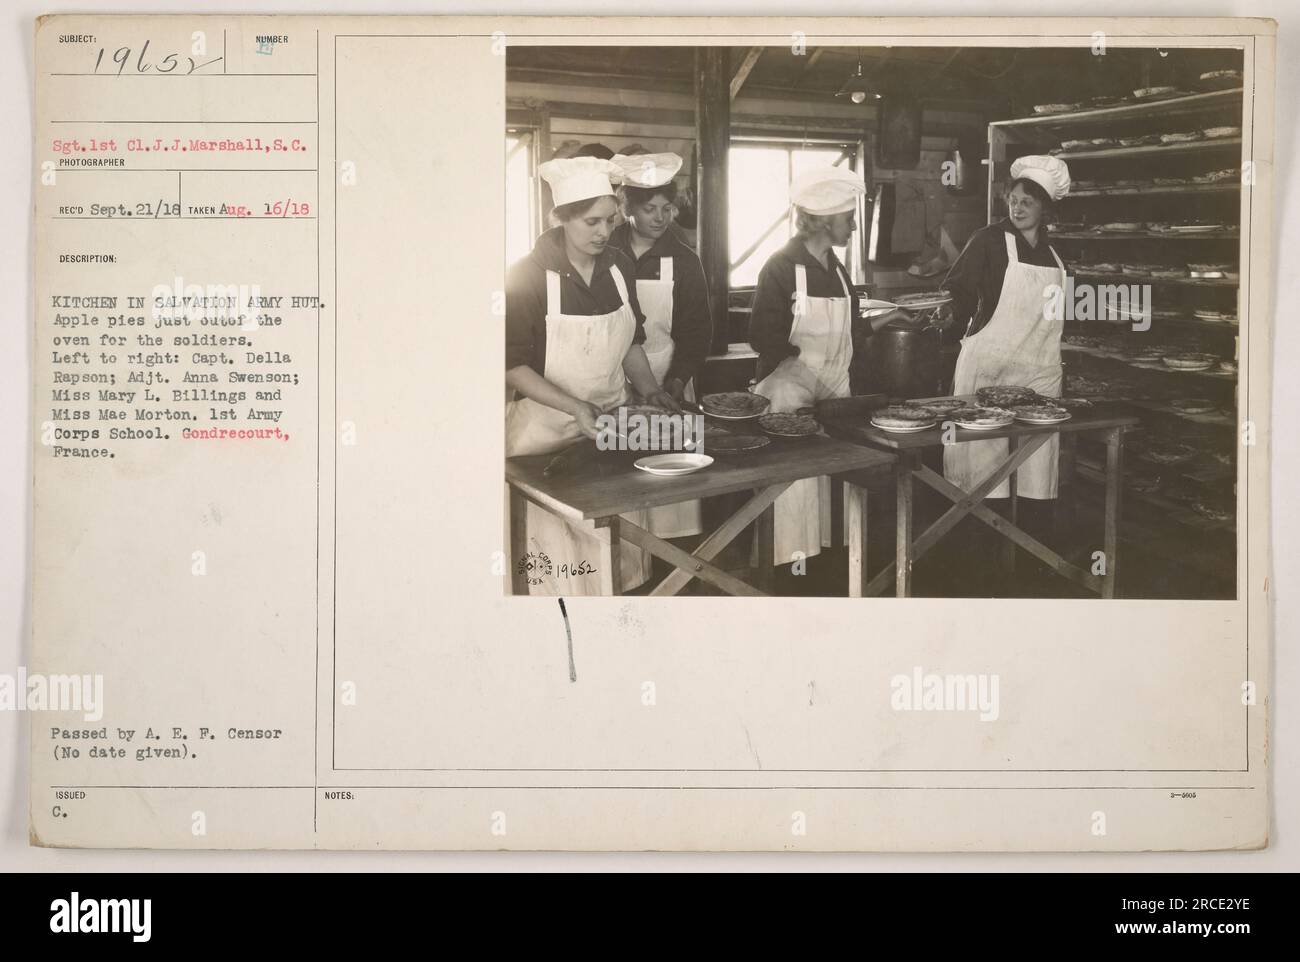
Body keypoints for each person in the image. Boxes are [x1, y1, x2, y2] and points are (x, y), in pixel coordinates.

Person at [505, 156, 679, 595]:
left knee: (620, 564)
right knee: (561, 571)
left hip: (609, 433)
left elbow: (630, 344)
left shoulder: (618, 266)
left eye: (610, 219)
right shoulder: (526, 276)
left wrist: (652, 391)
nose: (604, 232)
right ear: (560, 218)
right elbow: (511, 365)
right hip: (542, 441)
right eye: (591, 222)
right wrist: (574, 406)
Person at [748, 165, 866, 567]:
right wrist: (799, 374)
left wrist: (890, 319)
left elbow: (853, 328)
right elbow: (762, 337)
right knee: (794, 486)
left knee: (836, 480)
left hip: (835, 385)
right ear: (824, 221)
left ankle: (831, 563)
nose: (852, 227)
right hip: (788, 391)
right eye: (848, 220)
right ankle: (788, 568)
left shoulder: (836, 268)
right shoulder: (781, 267)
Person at [942, 154, 1071, 507]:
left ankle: (1030, 551)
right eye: (1013, 200)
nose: (1018, 208)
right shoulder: (988, 240)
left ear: (1045, 207)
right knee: (984, 477)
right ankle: (980, 546)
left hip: (1038, 375)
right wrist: (945, 314)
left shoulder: (1055, 254)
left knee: (1036, 473)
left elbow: (1056, 316)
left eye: (1027, 202)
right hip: (989, 370)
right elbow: (959, 294)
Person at [609, 151, 713, 539]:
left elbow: (697, 332)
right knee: (624, 482)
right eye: (649, 208)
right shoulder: (605, 252)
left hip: (670, 376)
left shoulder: (684, 260)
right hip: (613, 381)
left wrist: (673, 382)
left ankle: (678, 561)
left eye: (667, 208)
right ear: (626, 208)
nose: (660, 217)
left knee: (673, 488)